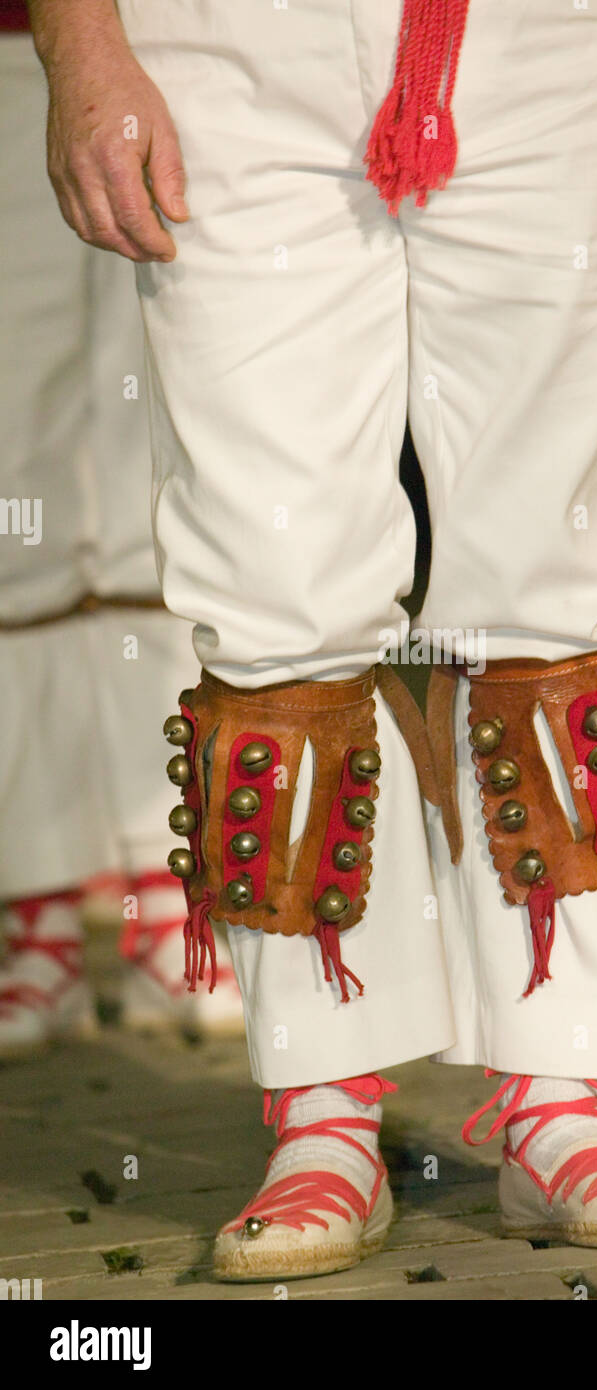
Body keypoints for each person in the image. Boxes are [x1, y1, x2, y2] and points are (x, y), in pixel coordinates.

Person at [26, 0, 597, 1280]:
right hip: (231, 44)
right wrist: (81, 42)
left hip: (560, 37)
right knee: (275, 586)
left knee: (553, 577)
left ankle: (559, 1098)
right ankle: (321, 1105)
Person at [0, 4, 244, 1054]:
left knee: (168, 435)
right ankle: (38, 903)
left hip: (202, 36)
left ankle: (161, 883)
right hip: (16, 47)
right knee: (16, 471)